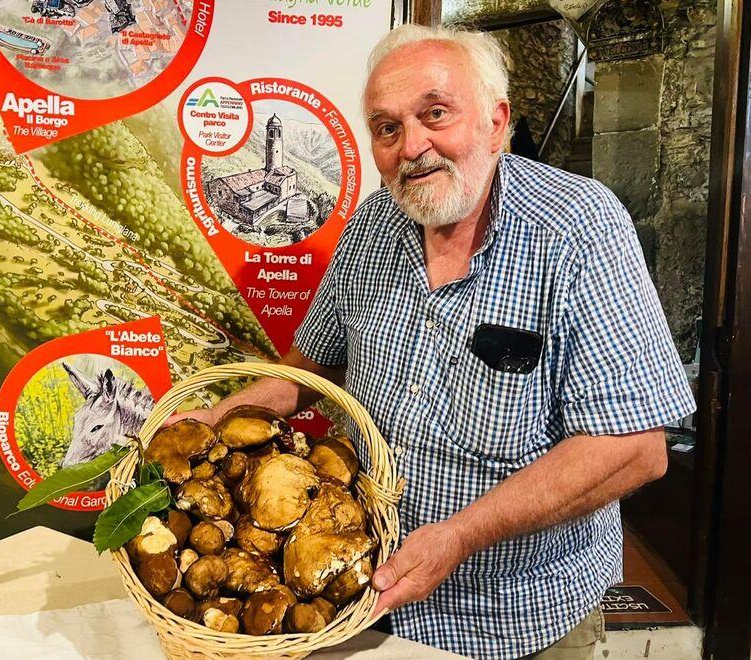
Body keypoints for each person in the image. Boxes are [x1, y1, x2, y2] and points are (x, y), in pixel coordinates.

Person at [168, 25, 696, 659]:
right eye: (387, 128)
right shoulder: (374, 223)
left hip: (516, 619)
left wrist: (459, 536)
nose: (412, 147)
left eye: (435, 114)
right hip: (360, 596)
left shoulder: (578, 228)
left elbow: (635, 449)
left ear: (496, 123)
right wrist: (211, 423)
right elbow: (311, 365)